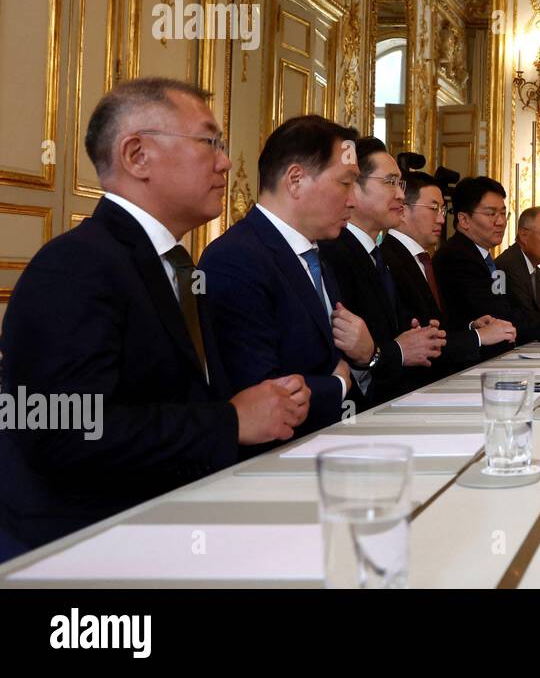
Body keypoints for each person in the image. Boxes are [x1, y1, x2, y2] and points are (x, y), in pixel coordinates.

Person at [0, 79, 308, 558]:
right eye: (210, 142)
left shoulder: (176, 265)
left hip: (179, 523)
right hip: (90, 548)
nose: (226, 162)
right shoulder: (76, 266)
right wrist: (229, 421)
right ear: (137, 155)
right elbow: (66, 431)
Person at [200, 114, 374, 434]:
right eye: (346, 183)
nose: (353, 200)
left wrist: (364, 360)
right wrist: (337, 384)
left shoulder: (319, 254)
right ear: (295, 180)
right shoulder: (236, 258)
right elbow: (261, 391)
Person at [316, 138, 448, 407]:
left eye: (401, 184)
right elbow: (350, 349)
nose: (400, 194)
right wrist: (398, 350)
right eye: (390, 182)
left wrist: (419, 336)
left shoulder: (376, 254)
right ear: (353, 186)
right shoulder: (334, 252)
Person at [381, 169, 515, 375]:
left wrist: (471, 326)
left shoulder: (421, 259)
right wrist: (479, 337)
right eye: (434, 209)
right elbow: (418, 336)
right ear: (403, 210)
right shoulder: (388, 257)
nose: (441, 220)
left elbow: (440, 325)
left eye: (443, 211)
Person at [433, 176, 540, 349]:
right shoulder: (457, 257)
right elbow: (503, 316)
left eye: (503, 213)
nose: (501, 222)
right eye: (491, 214)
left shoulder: (481, 257)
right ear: (464, 220)